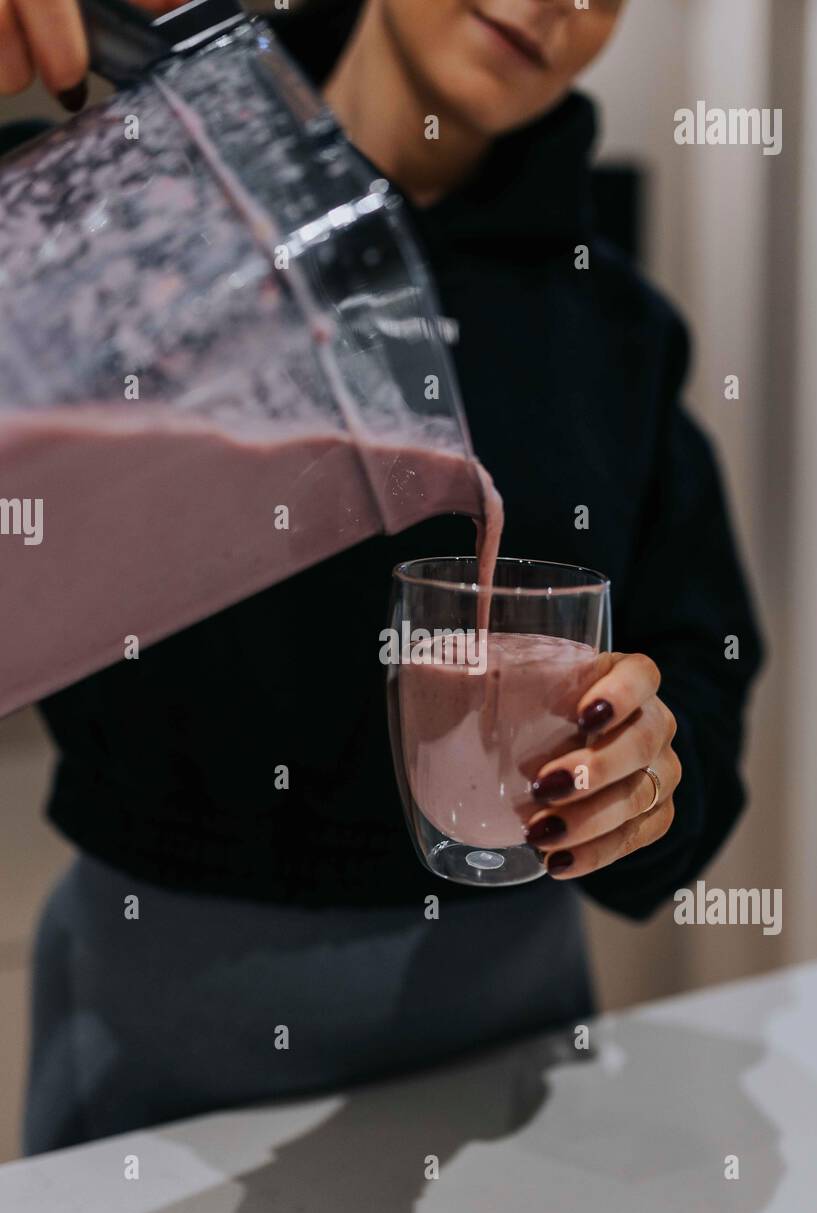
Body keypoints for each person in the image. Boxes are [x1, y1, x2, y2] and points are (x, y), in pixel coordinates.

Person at [0, 0, 763, 1154]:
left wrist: (642, 780)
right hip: (156, 1006)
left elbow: (698, 683)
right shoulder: (142, 202)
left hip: (506, 1021)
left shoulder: (615, 325)